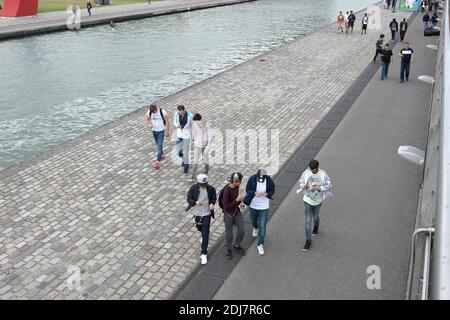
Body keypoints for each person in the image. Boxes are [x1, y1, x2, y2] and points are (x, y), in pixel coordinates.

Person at [297, 159, 332, 252]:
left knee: (315, 216)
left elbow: (329, 185)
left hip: (318, 200)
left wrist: (320, 188)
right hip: (307, 200)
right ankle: (308, 241)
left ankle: (316, 227)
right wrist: (303, 186)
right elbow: (300, 182)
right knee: (308, 221)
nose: (312, 171)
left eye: (314, 170)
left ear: (317, 167)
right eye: (311, 169)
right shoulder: (306, 173)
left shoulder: (323, 174)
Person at [243, 169, 275, 256]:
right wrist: (254, 193)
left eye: (262, 178)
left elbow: (272, 191)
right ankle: (255, 227)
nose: (261, 179)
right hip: (253, 205)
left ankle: (260, 244)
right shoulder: (252, 179)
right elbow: (247, 189)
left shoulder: (268, 180)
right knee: (253, 220)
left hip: (264, 206)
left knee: (263, 225)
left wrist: (267, 194)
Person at [186, 174, 217, 265]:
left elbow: (214, 198)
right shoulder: (193, 188)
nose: (203, 187)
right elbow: (188, 198)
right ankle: (203, 234)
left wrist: (212, 203)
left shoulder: (211, 188)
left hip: (206, 213)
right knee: (199, 227)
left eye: (204, 185)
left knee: (205, 232)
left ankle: (204, 253)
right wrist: (195, 202)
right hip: (197, 212)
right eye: (201, 185)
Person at [222, 172, 246, 260]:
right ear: (235, 181)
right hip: (228, 214)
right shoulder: (226, 191)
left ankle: (236, 245)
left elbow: (238, 201)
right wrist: (236, 201)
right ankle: (228, 249)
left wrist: (241, 203)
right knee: (229, 234)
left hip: (236, 212)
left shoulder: (237, 187)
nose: (240, 183)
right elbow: (226, 207)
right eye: (239, 181)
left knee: (242, 229)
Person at [145, 104, 169, 169]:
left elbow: (167, 121)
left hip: (161, 131)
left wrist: (167, 131)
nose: (153, 113)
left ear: (156, 109)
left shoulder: (162, 111)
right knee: (158, 144)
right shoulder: (150, 112)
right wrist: (149, 124)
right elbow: (147, 119)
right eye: (152, 112)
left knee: (159, 146)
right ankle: (161, 155)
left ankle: (157, 162)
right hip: (154, 131)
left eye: (154, 112)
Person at [191, 113, 211, 181]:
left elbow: (210, 137)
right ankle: (193, 176)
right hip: (197, 145)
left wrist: (208, 147)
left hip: (205, 145)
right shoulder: (195, 125)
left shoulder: (206, 125)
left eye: (197, 121)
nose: (196, 123)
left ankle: (206, 172)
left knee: (206, 159)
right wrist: (193, 140)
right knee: (195, 161)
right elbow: (194, 134)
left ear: (200, 120)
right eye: (195, 122)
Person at [173, 105, 192, 176]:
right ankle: (184, 160)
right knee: (178, 152)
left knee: (185, 152)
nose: (181, 114)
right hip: (179, 135)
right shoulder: (176, 113)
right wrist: (176, 125)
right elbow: (174, 121)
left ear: (184, 110)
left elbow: (191, 125)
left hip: (186, 136)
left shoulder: (189, 115)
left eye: (182, 112)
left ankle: (186, 168)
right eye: (179, 112)